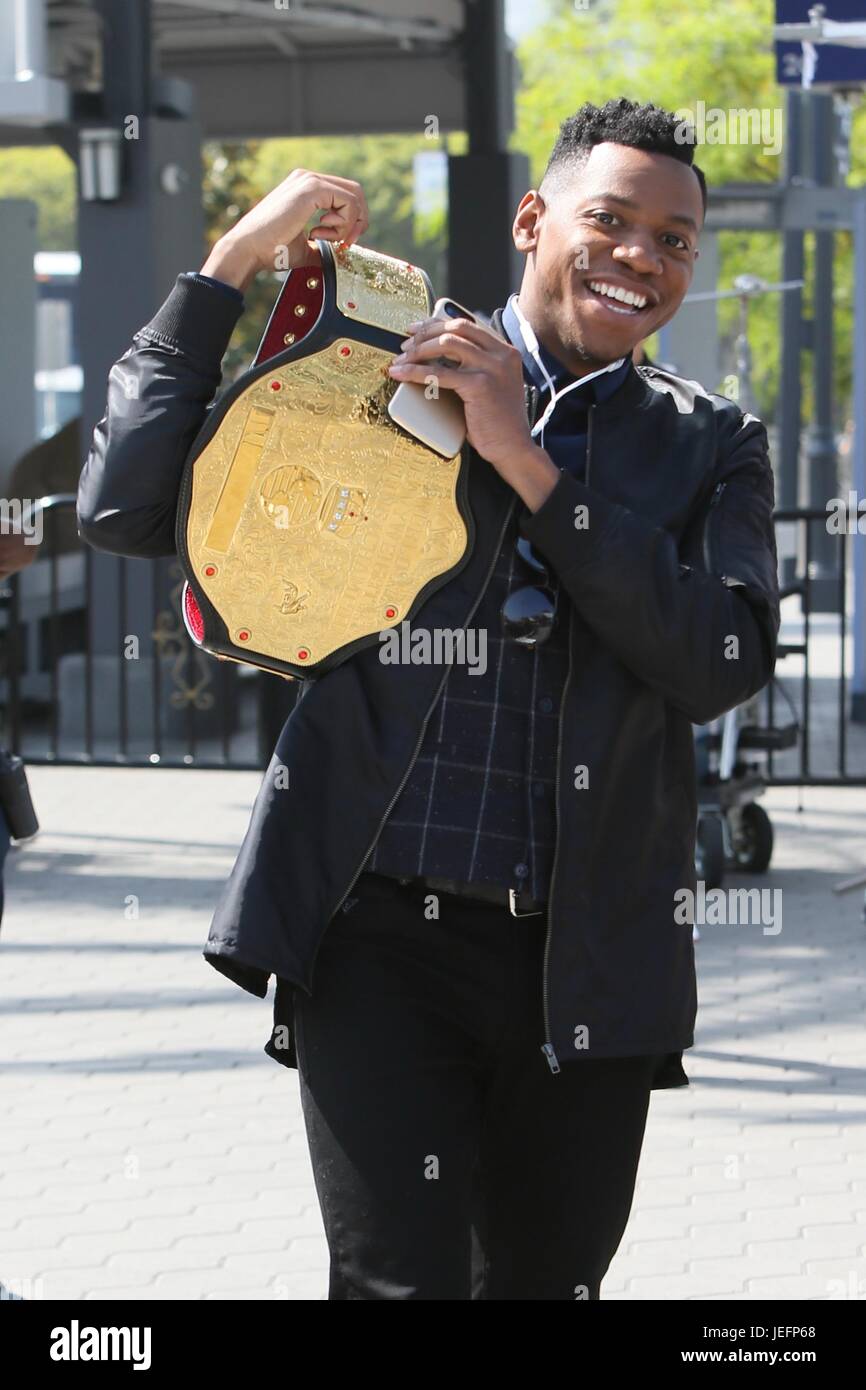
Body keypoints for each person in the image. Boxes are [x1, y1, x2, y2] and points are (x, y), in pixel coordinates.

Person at [77, 98, 781, 1300]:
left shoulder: (710, 444)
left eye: (673, 241)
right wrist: (230, 262)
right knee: (395, 1285)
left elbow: (714, 656)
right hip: (379, 943)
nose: (639, 257)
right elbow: (129, 505)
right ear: (530, 220)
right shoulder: (385, 356)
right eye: (609, 220)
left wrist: (525, 460)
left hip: (589, 960)